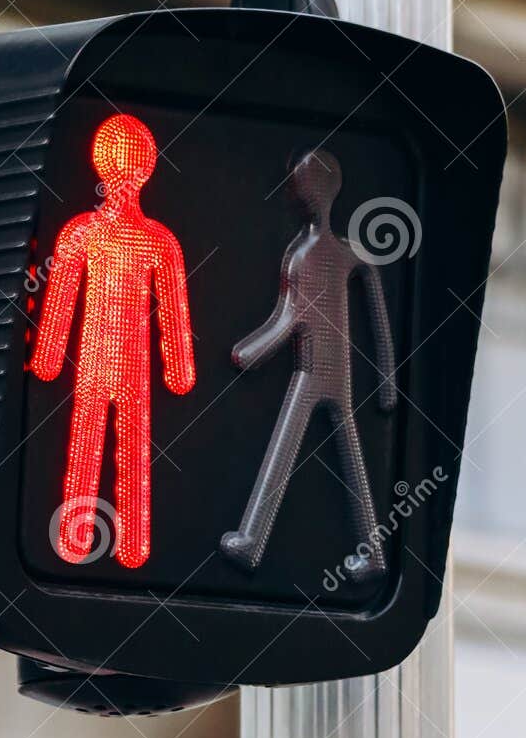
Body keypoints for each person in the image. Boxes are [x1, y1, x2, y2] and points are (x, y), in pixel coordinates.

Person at [221, 148, 395, 582]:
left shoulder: (311, 258)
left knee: (286, 448)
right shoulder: (350, 255)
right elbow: (380, 327)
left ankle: (252, 540)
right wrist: (388, 384)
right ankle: (371, 554)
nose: (301, 194)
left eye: (304, 187)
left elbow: (289, 319)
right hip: (339, 373)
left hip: (314, 368)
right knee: (347, 453)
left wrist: (250, 353)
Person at [30, 113, 195, 569]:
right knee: (134, 455)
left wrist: (46, 359)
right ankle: (131, 546)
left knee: (88, 446)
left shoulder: (83, 233)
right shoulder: (158, 240)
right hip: (133, 366)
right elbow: (176, 318)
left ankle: (80, 538)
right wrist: (179, 371)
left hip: (94, 361)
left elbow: (59, 302)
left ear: (101, 164)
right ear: (148, 167)